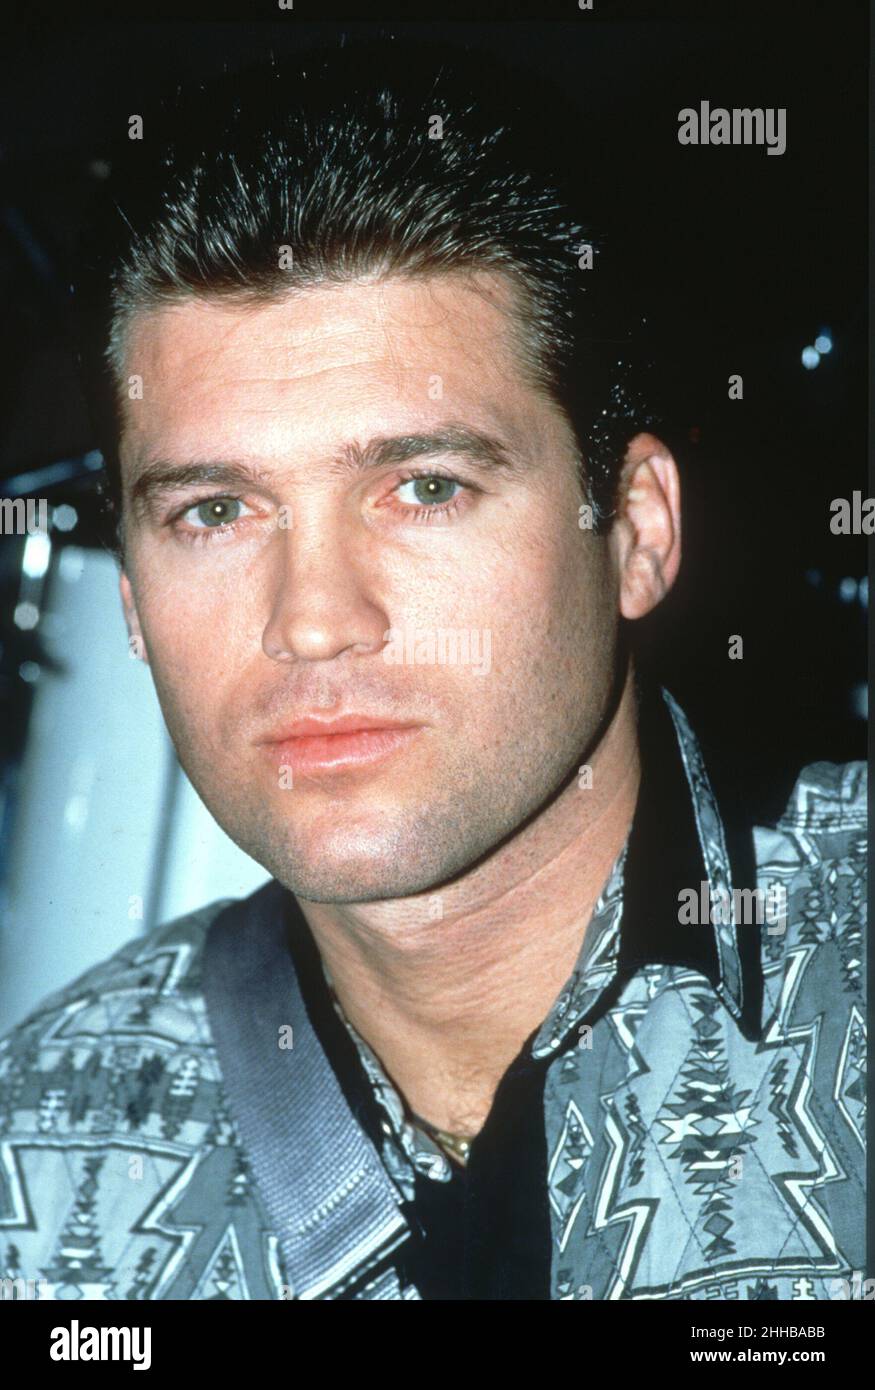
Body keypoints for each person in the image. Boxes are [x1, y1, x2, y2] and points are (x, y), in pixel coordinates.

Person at [0, 41, 865, 1302]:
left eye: (424, 488)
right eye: (215, 512)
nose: (312, 623)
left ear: (634, 532)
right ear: (130, 599)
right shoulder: (49, 1142)